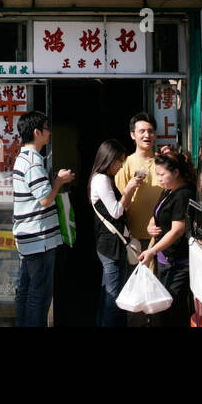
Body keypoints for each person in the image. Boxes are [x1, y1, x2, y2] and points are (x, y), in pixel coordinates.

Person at [11, 111, 73, 327]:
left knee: (26, 291)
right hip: (40, 239)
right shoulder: (33, 162)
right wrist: (60, 180)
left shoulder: (24, 159)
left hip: (30, 239)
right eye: (46, 128)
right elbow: (46, 198)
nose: (49, 133)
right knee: (40, 295)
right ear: (37, 132)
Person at [89, 139, 144, 327]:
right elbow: (116, 211)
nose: (121, 166)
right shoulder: (102, 179)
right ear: (109, 159)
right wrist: (128, 189)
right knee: (113, 297)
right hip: (110, 245)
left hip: (111, 244)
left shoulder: (102, 178)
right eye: (119, 161)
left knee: (108, 294)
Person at [140, 149, 197, 327]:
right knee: (165, 309)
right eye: (157, 174)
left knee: (174, 310)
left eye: (162, 174)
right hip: (165, 260)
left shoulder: (183, 194)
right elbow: (158, 214)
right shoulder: (168, 190)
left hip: (178, 263)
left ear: (176, 172)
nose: (159, 179)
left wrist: (152, 251)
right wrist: (150, 225)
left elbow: (177, 230)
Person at [115, 112, 164, 248]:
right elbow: (118, 204)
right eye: (141, 131)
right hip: (134, 237)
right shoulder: (125, 164)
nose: (147, 135)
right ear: (133, 135)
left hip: (162, 235)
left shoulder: (163, 163)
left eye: (150, 131)